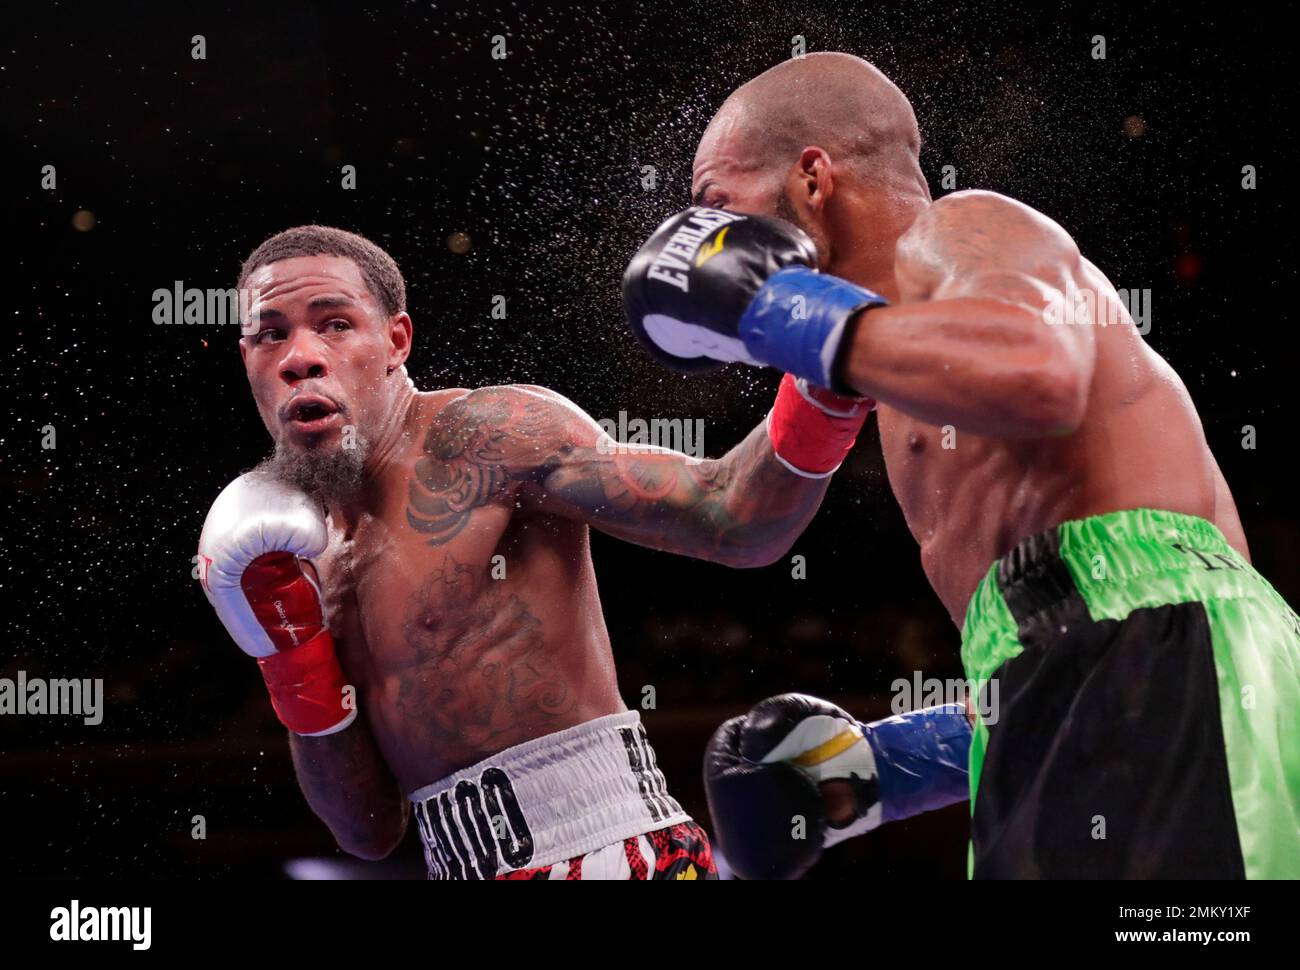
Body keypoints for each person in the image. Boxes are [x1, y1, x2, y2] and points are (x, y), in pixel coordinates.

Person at [623, 52, 1300, 878]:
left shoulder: (964, 230)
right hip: (1081, 676)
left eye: (716, 204)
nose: (706, 239)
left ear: (812, 180)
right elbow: (733, 517)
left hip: (1167, 643)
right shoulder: (886, 362)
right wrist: (887, 767)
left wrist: (774, 307)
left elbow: (1038, 374)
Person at [196, 224, 868, 879]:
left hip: (606, 848)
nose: (300, 356)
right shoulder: (296, 554)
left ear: (397, 340)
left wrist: (831, 368)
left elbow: (735, 520)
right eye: (270, 334)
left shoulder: (485, 439)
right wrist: (293, 660)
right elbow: (368, 830)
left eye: (335, 323)